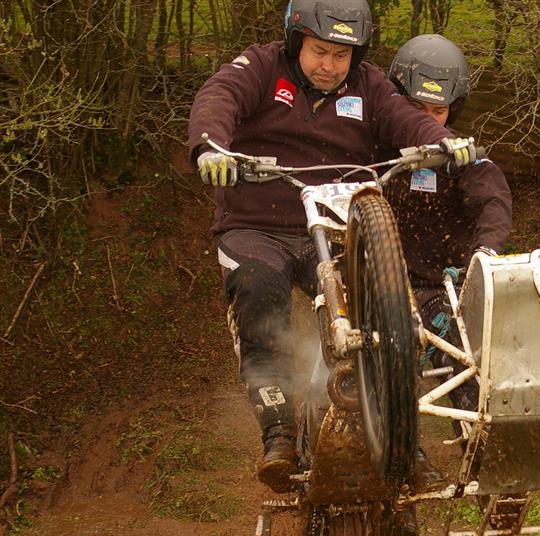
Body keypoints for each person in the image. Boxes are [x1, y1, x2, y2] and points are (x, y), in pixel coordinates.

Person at [187, 0, 478, 497]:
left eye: (341, 55)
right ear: (295, 40)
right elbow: (219, 97)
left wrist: (443, 140)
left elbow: (406, 119)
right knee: (260, 290)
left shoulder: (368, 86)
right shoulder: (260, 67)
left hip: (336, 226)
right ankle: (278, 430)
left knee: (390, 312)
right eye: (320, 51)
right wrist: (211, 147)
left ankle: (401, 439)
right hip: (259, 224)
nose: (330, 66)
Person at [383, 33, 512, 417]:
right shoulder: (372, 150)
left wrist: (485, 252)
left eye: (437, 112)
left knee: (467, 357)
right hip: (374, 287)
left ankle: (478, 443)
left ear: (451, 112)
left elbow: (493, 199)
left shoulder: (462, 154)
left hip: (440, 288)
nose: (427, 120)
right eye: (416, 108)